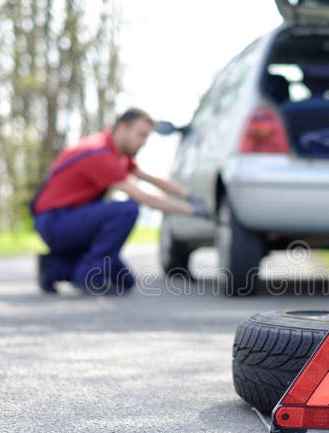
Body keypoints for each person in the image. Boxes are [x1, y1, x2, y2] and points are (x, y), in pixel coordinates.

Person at [31, 107, 210, 295]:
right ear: (123, 128)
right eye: (141, 135)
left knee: (125, 281)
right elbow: (146, 198)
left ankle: (53, 267)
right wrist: (193, 211)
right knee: (127, 209)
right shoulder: (99, 153)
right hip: (56, 221)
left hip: (71, 219)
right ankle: (88, 274)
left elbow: (152, 179)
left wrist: (189, 196)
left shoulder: (114, 151)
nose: (144, 142)